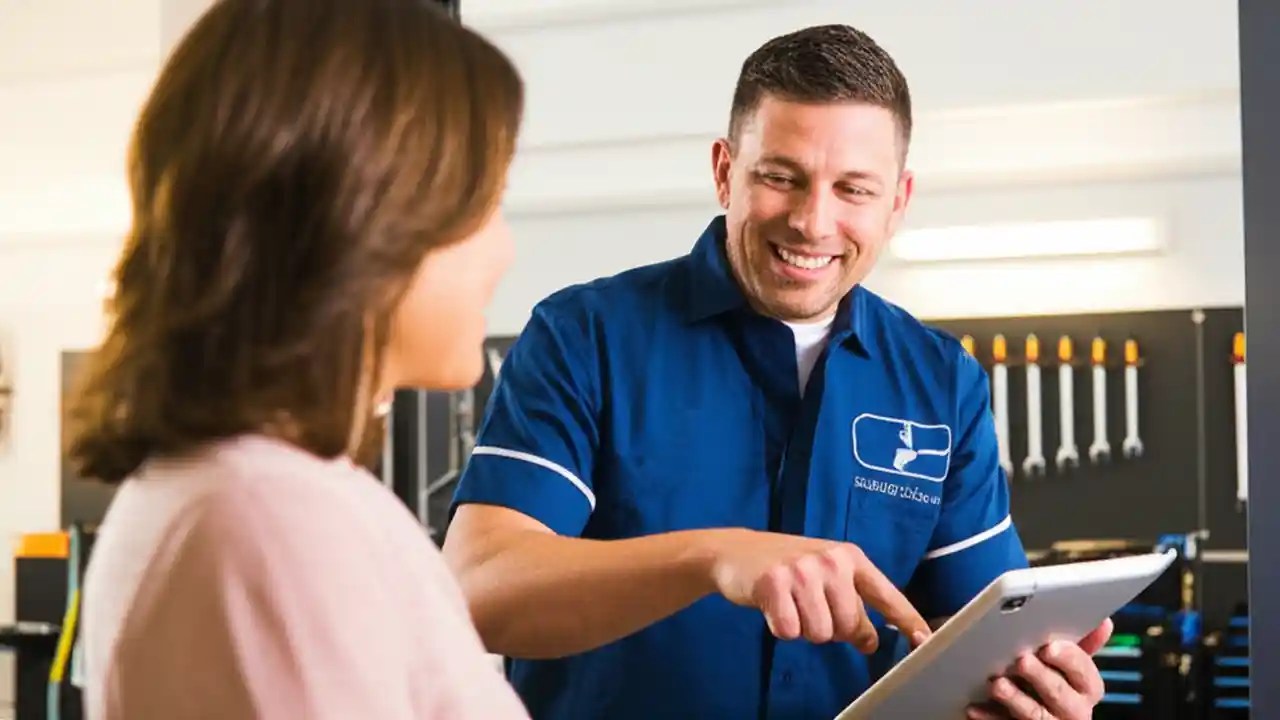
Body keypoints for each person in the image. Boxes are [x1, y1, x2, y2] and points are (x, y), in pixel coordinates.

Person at [443, 23, 1110, 720]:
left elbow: (969, 628)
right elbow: (479, 590)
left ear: (899, 202)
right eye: (780, 177)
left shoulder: (942, 380)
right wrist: (715, 558)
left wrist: (1025, 685)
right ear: (726, 171)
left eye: (853, 189)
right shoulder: (585, 336)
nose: (812, 222)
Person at [67, 1, 529, 718]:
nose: (504, 250)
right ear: (373, 210)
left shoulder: (237, 493)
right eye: (488, 202)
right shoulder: (275, 519)